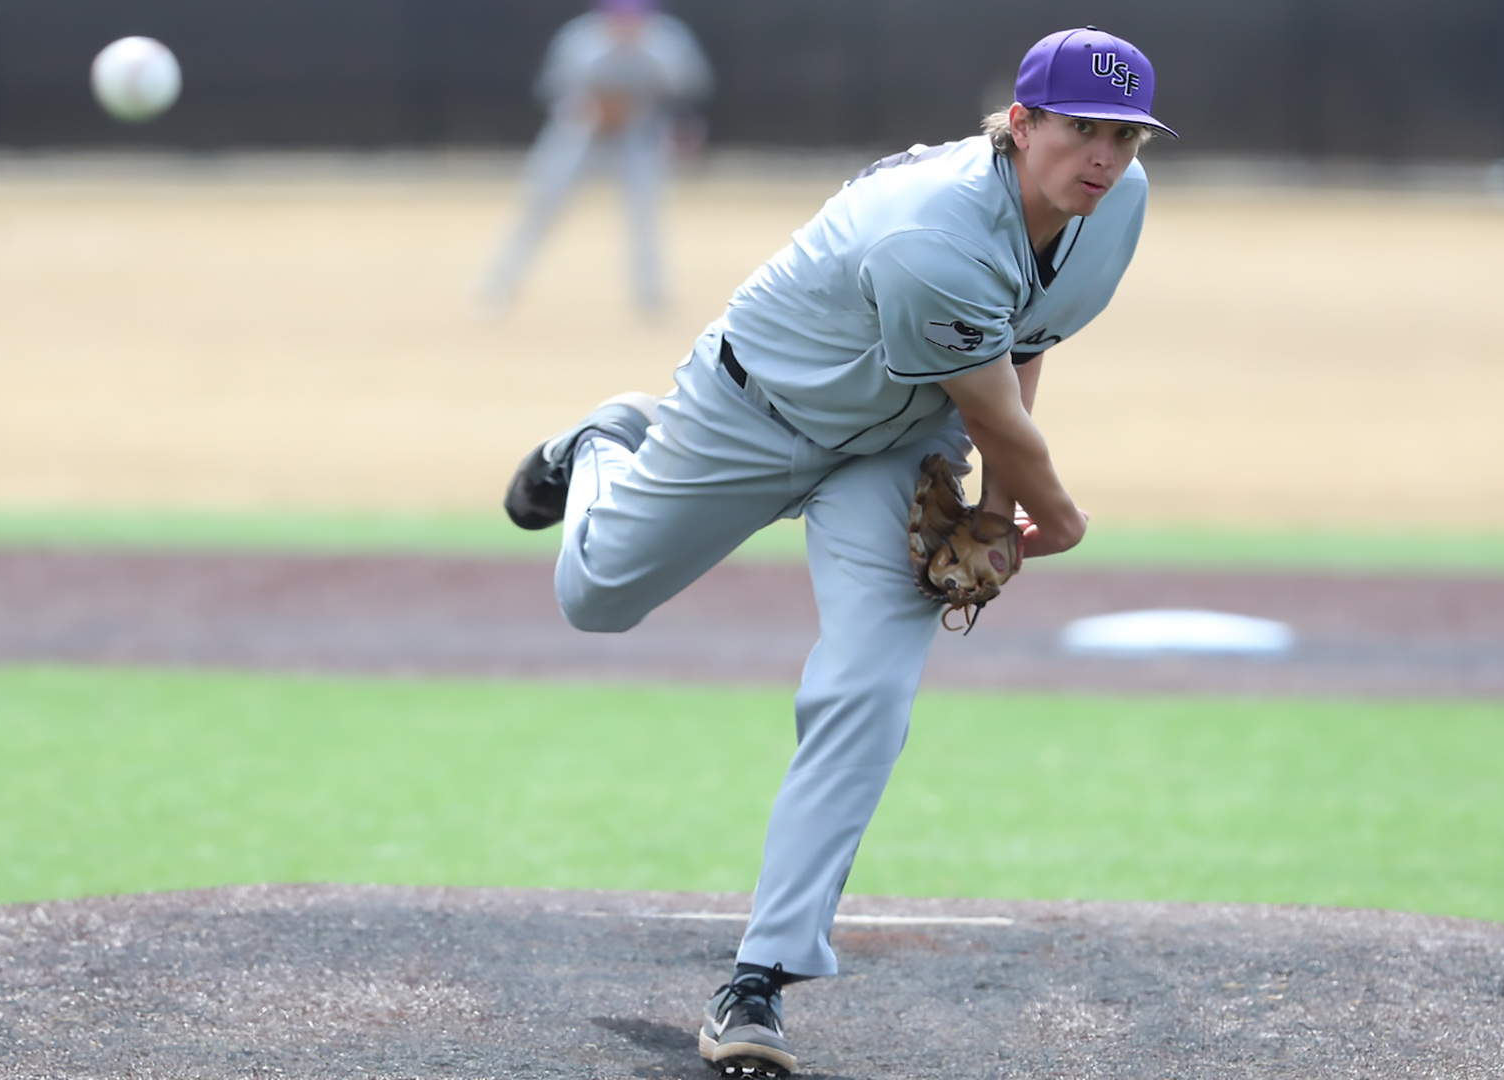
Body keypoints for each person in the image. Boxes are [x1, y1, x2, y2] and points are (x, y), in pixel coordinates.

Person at [503, 26, 1174, 1077]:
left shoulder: (1115, 211)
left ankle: (758, 982)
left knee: (867, 691)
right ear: (1024, 121)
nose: (1103, 157)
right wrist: (1055, 514)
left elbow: (1023, 344)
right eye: (1081, 129)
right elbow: (998, 410)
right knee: (593, 595)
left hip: (896, 448)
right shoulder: (932, 229)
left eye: (1126, 137)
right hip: (752, 414)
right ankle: (601, 443)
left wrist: (997, 515)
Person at [477, 0, 712, 317]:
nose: (626, 25)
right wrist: (592, 106)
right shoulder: (581, 39)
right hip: (581, 132)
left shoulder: (666, 41)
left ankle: (650, 296)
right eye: (619, 18)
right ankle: (499, 283)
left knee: (644, 217)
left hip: (637, 136)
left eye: (634, 18)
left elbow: (689, 89)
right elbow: (552, 88)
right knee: (540, 207)